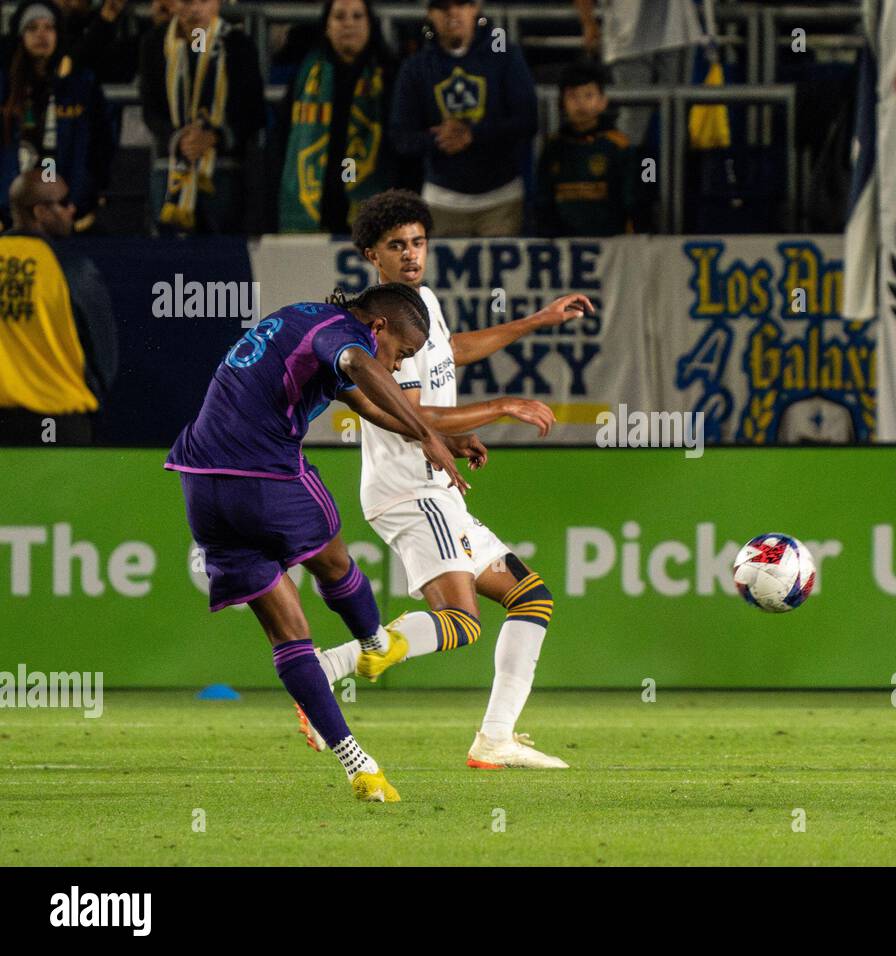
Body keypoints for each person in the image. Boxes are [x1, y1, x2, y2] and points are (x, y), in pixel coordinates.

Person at [304, 188, 592, 769]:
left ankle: (495, 739)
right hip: (409, 488)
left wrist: (538, 320)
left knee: (530, 598)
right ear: (371, 255)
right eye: (396, 245)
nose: (411, 254)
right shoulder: (380, 332)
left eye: (419, 242)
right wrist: (501, 406)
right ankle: (324, 671)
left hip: (434, 487)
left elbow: (452, 352)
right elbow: (416, 417)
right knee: (461, 621)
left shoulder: (423, 305)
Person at [164, 283, 474, 801]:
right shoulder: (345, 335)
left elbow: (372, 409)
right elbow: (358, 363)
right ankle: (375, 644)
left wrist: (439, 437)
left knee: (289, 635)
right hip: (262, 475)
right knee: (333, 562)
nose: (398, 367)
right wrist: (427, 433)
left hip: (200, 482)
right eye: (401, 354)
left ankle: (360, 765)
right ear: (378, 327)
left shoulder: (301, 322)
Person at [390, 0, 537, 238]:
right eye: (443, 6)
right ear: (430, 13)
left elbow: (528, 121)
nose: (453, 12)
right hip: (441, 201)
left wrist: (473, 135)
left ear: (476, 7)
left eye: (461, 3)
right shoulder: (414, 68)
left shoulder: (505, 57)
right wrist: (439, 139)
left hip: (502, 200)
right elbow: (400, 137)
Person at [0, 170, 114, 445]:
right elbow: (103, 353)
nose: (72, 208)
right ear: (39, 212)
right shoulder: (71, 269)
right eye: (63, 202)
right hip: (58, 420)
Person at [274, 0, 403, 234]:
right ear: (327, 26)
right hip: (317, 199)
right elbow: (281, 139)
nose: (348, 24)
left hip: (375, 202)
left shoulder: (389, 74)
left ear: (369, 25)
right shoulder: (306, 75)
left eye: (356, 16)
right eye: (340, 17)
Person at [138, 0, 265, 233]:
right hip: (171, 163)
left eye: (203, 1)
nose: (194, 9)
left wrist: (215, 137)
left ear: (217, 3)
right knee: (170, 258)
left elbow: (253, 111)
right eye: (186, 1)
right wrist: (179, 139)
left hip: (222, 166)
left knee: (222, 254)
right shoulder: (155, 43)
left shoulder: (238, 44)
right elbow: (150, 109)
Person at [0, 0, 113, 230]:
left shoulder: (81, 84)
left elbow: (102, 143)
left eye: (48, 28)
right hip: (10, 216)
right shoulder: (4, 88)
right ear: (20, 35)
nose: (41, 34)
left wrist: (83, 198)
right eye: (32, 28)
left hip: (69, 211)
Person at [573, 0, 704, 149]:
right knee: (633, 120)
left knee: (676, 118)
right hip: (628, 37)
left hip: (677, 30)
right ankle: (627, 169)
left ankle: (666, 172)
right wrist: (588, 23)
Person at [536, 59, 638, 237]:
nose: (581, 104)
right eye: (573, 96)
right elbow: (543, 200)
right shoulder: (553, 146)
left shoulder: (618, 145)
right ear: (562, 103)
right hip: (565, 247)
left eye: (588, 95)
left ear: (603, 102)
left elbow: (632, 201)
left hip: (611, 247)